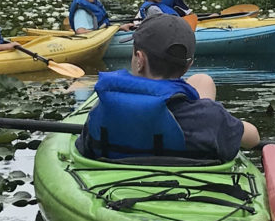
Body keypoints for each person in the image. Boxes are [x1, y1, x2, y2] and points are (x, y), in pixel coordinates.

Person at [79, 13, 258, 160]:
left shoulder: (104, 108)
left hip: (115, 184)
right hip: (187, 183)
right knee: (203, 83)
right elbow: (254, 138)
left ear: (139, 59)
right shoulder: (208, 118)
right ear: (188, 66)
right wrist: (207, 109)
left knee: (203, 81)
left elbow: (84, 148)